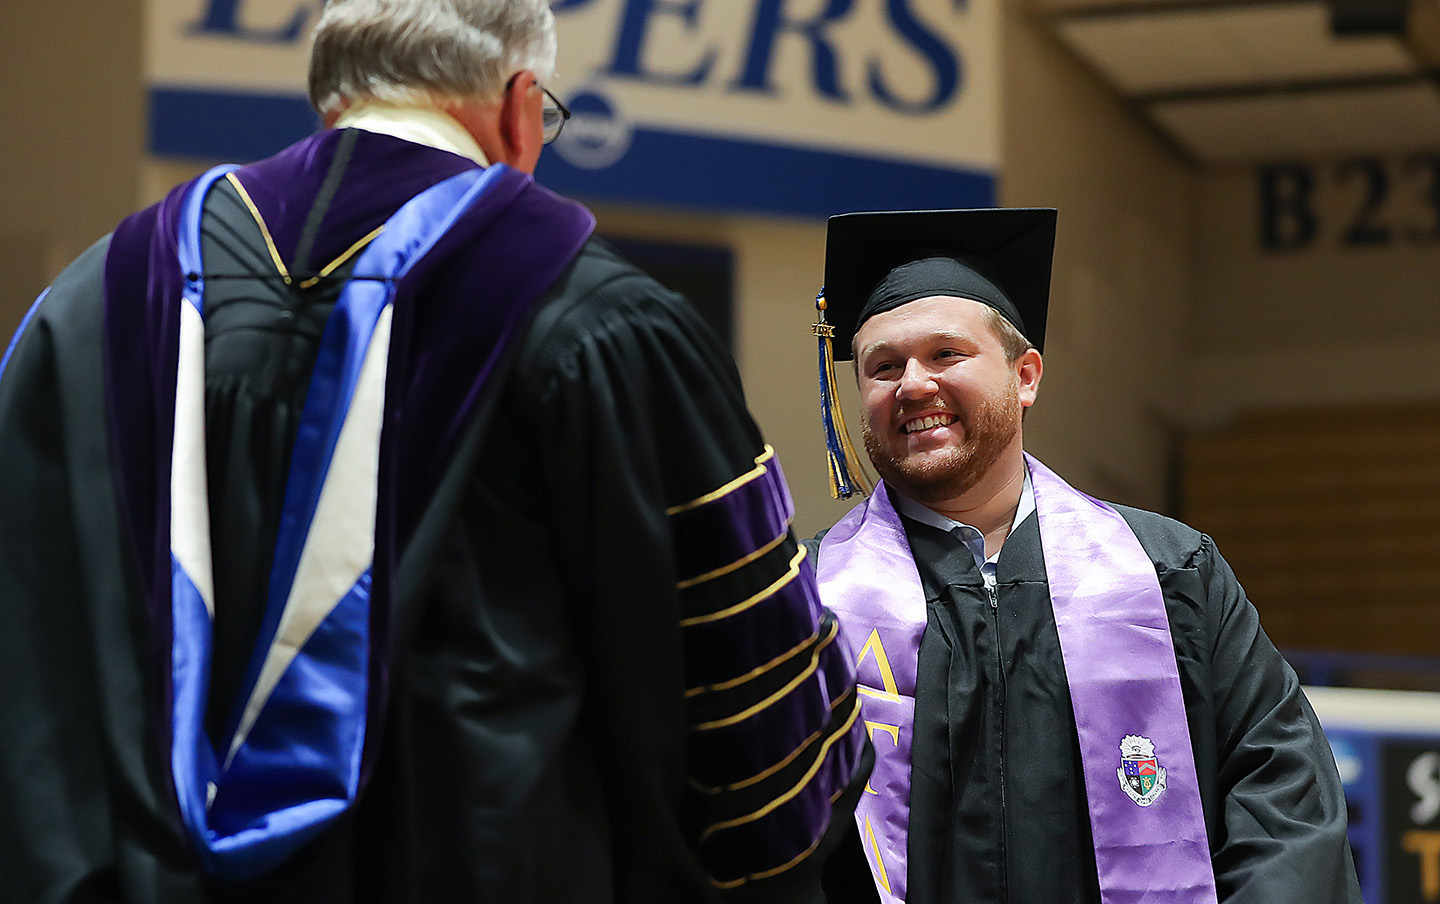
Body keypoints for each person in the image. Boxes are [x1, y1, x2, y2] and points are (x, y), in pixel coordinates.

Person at [0, 2, 868, 901]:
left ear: (331, 94)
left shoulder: (100, 305)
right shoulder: (600, 318)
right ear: (522, 107)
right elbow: (750, 713)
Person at [804, 208, 1361, 904]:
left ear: (1027, 374)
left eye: (946, 354)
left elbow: (1284, 800)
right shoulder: (810, 602)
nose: (914, 384)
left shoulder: (1169, 574)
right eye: (884, 366)